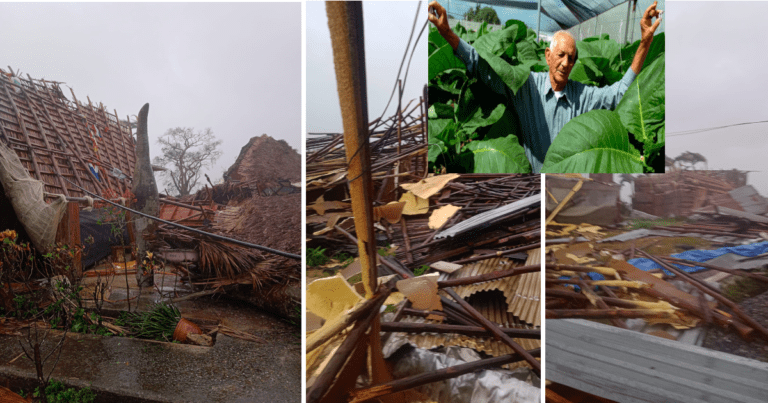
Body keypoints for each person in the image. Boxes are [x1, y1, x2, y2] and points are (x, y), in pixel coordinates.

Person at [428, 1, 663, 173]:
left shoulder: (583, 95)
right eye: (561, 55)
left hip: (567, 191)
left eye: (571, 58)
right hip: (532, 187)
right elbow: (484, 68)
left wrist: (644, 43)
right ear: (548, 56)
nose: (566, 63)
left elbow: (619, 93)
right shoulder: (527, 86)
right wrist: (447, 33)